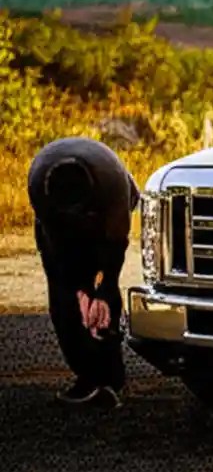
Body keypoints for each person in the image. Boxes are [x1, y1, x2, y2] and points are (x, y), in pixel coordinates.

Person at [27, 137, 139, 409]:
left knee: (105, 297)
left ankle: (112, 376)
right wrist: (79, 291)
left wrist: (104, 288)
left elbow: (116, 245)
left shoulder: (111, 185)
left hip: (114, 205)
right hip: (58, 227)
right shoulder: (39, 184)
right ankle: (87, 377)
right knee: (64, 300)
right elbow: (58, 254)